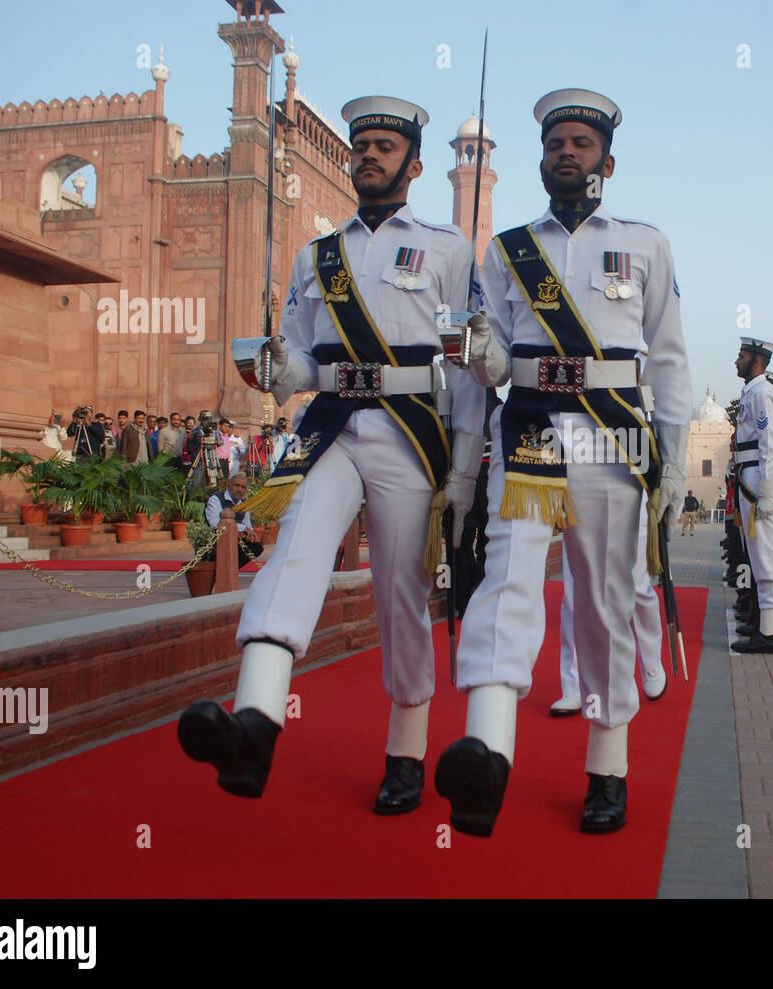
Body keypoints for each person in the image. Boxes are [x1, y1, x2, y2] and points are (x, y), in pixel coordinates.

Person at [178, 95, 486, 814]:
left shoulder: (448, 250)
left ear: (413, 163)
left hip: (411, 432)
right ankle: (253, 726)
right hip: (333, 425)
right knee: (295, 550)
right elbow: (303, 364)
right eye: (362, 145)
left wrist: (465, 466)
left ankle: (407, 749)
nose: (369, 155)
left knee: (400, 593)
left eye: (385, 146)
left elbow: (471, 368)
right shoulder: (315, 255)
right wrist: (274, 368)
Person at [433, 88, 691, 837]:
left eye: (580, 143)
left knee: (606, 602)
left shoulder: (644, 243)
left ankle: (608, 767)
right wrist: (463, 461)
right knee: (507, 574)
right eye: (555, 144)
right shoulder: (507, 250)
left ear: (606, 160)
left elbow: (670, 363)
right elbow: (483, 365)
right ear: (541, 159)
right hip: (532, 424)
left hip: (614, 434)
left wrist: (673, 464)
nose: (566, 154)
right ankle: (486, 749)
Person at [552, 495, 668, 714]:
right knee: (575, 595)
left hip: (632, 478)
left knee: (636, 588)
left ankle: (651, 662)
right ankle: (574, 685)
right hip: (580, 481)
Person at [729, 337, 773, 652]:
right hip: (748, 473)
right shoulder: (752, 392)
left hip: (757, 477)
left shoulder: (762, 393)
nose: (736, 361)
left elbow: (768, 443)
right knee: (758, 555)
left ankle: (772, 633)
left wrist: (766, 491)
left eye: (742, 356)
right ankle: (768, 626)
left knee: (765, 556)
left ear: (757, 361)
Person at [203, 472, 263, 568]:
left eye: (243, 487)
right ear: (229, 485)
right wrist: (242, 528)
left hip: (235, 538)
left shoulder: (244, 505)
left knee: (256, 547)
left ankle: (231, 569)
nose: (239, 489)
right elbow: (214, 524)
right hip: (214, 539)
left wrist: (249, 535)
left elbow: (248, 527)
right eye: (236, 485)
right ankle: (223, 570)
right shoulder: (216, 499)